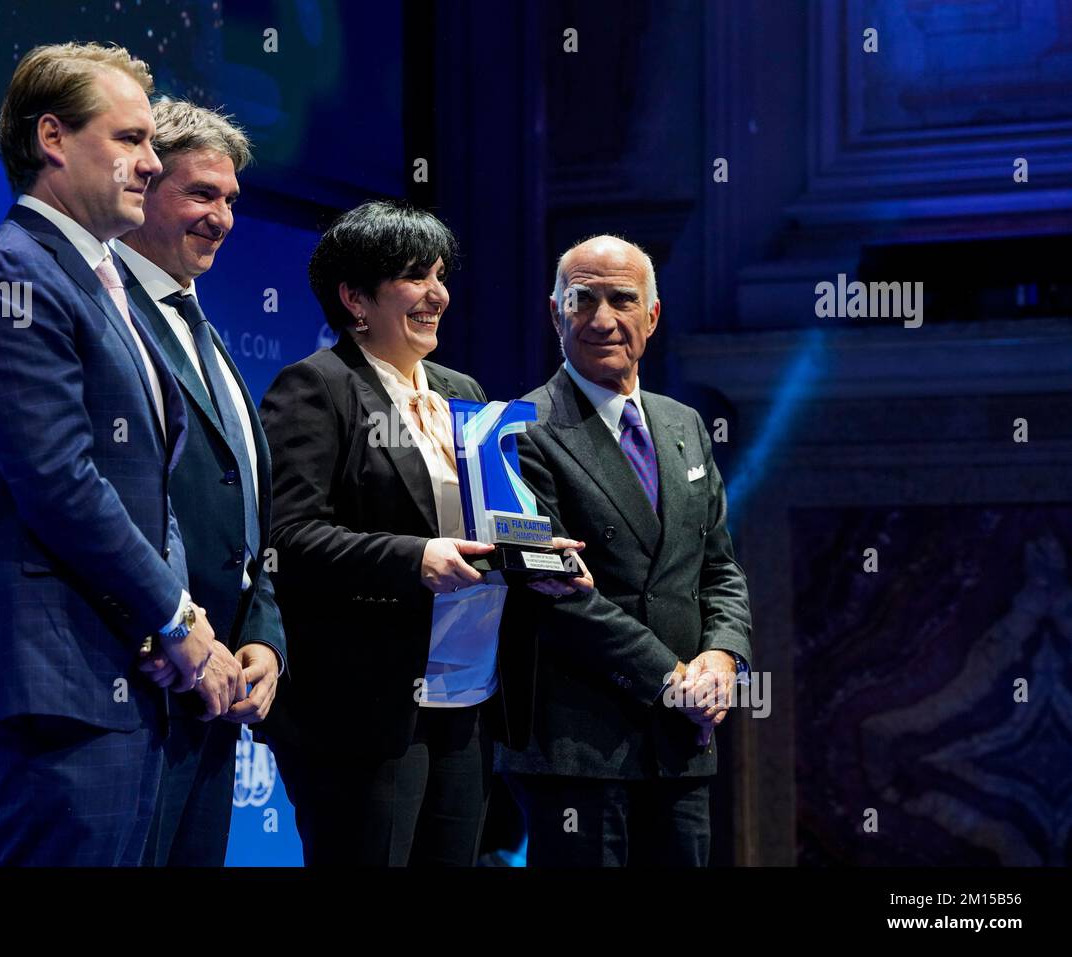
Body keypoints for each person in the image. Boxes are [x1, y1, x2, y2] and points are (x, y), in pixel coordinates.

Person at [0, 43, 225, 866]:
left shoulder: (93, 279)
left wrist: (173, 625)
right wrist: (175, 617)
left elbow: (141, 488)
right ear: (53, 138)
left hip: (114, 679)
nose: (151, 162)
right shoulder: (10, 273)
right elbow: (61, 482)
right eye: (130, 139)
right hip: (51, 689)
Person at [257, 200, 589, 866]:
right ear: (355, 297)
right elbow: (287, 540)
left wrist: (538, 559)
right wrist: (417, 557)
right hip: (365, 704)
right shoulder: (316, 388)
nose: (438, 293)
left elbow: (492, 521)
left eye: (440, 274)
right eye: (415, 275)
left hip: (468, 693)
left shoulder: (459, 389)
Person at [497, 235, 753, 867]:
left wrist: (722, 659)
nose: (602, 319)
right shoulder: (515, 427)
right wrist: (672, 680)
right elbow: (550, 595)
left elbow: (719, 567)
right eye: (582, 300)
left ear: (653, 316)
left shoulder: (684, 424)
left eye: (622, 299)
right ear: (554, 311)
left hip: (681, 742)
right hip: (578, 746)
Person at [112, 97, 286, 866]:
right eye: (201, 194)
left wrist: (264, 642)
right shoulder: (102, 311)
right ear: (145, 183)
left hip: (217, 702)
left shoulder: (204, 331)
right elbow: (90, 497)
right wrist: (165, 629)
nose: (222, 218)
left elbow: (251, 525)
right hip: (136, 681)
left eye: (231, 200)